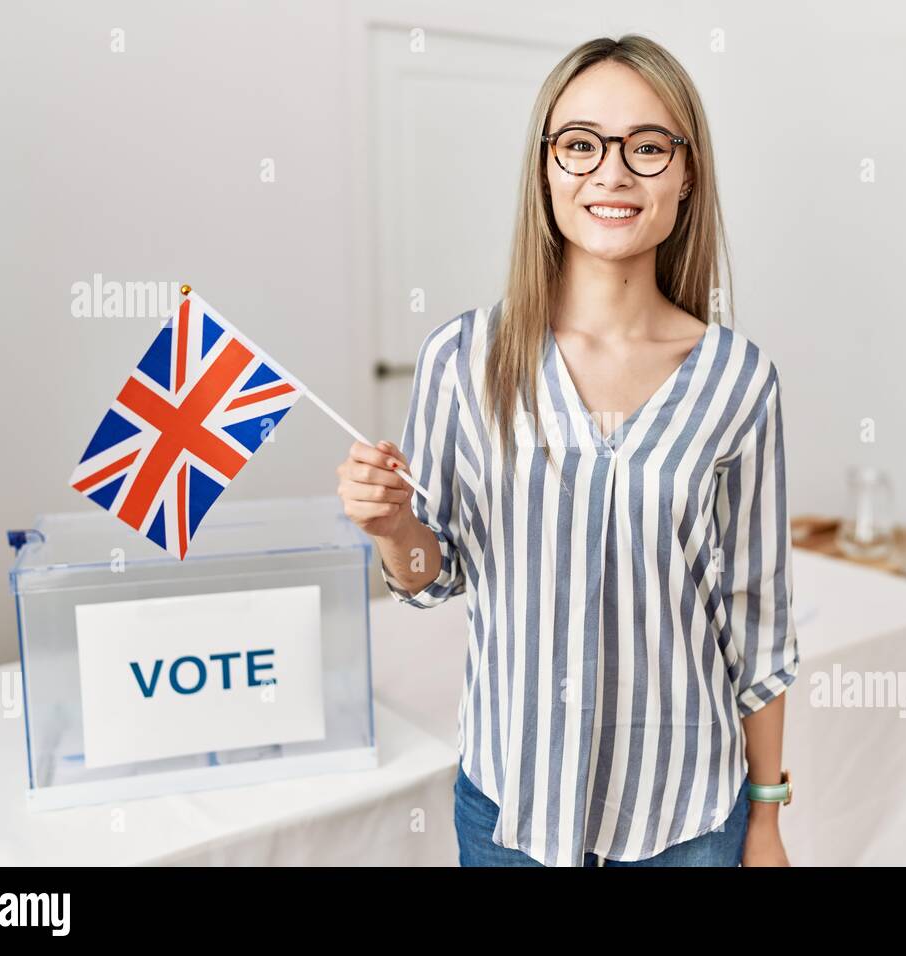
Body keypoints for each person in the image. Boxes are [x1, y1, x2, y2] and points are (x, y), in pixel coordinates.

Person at [337, 34, 798, 867]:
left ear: (687, 173)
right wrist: (391, 526)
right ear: (547, 168)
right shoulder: (466, 358)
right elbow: (430, 576)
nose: (612, 173)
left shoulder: (741, 380)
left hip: (687, 817)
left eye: (647, 147)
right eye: (580, 144)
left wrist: (765, 819)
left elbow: (757, 622)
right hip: (511, 808)